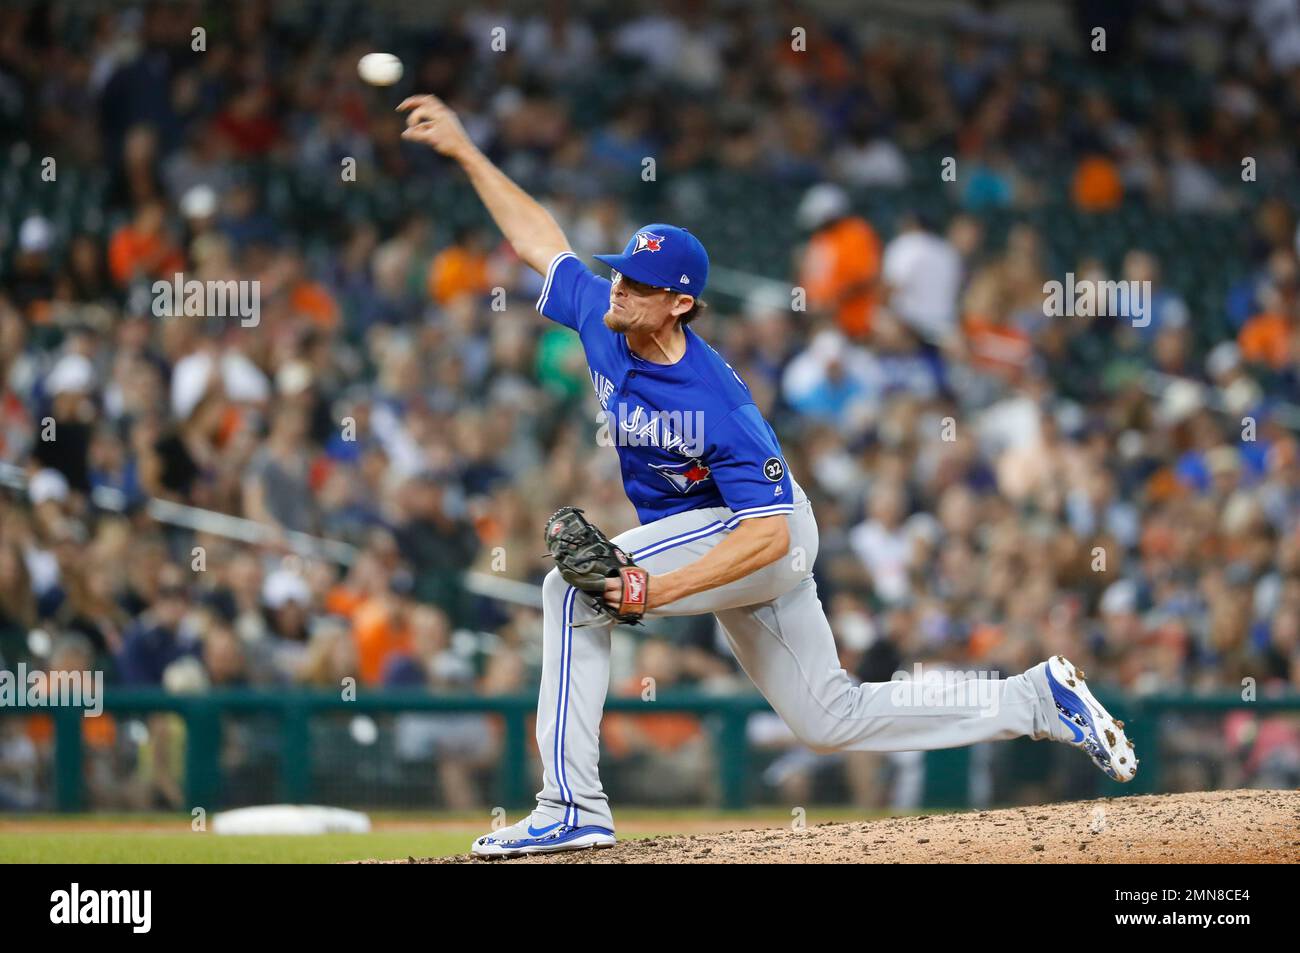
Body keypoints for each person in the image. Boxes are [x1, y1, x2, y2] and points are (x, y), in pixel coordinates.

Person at [397, 93, 1138, 859]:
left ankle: (572, 805)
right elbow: (539, 243)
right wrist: (466, 151)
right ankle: (1035, 698)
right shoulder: (604, 318)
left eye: (637, 283)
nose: (616, 286)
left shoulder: (716, 401)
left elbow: (770, 533)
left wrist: (650, 591)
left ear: (680, 303)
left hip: (763, 531)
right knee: (828, 719)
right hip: (725, 535)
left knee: (568, 591)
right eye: (618, 273)